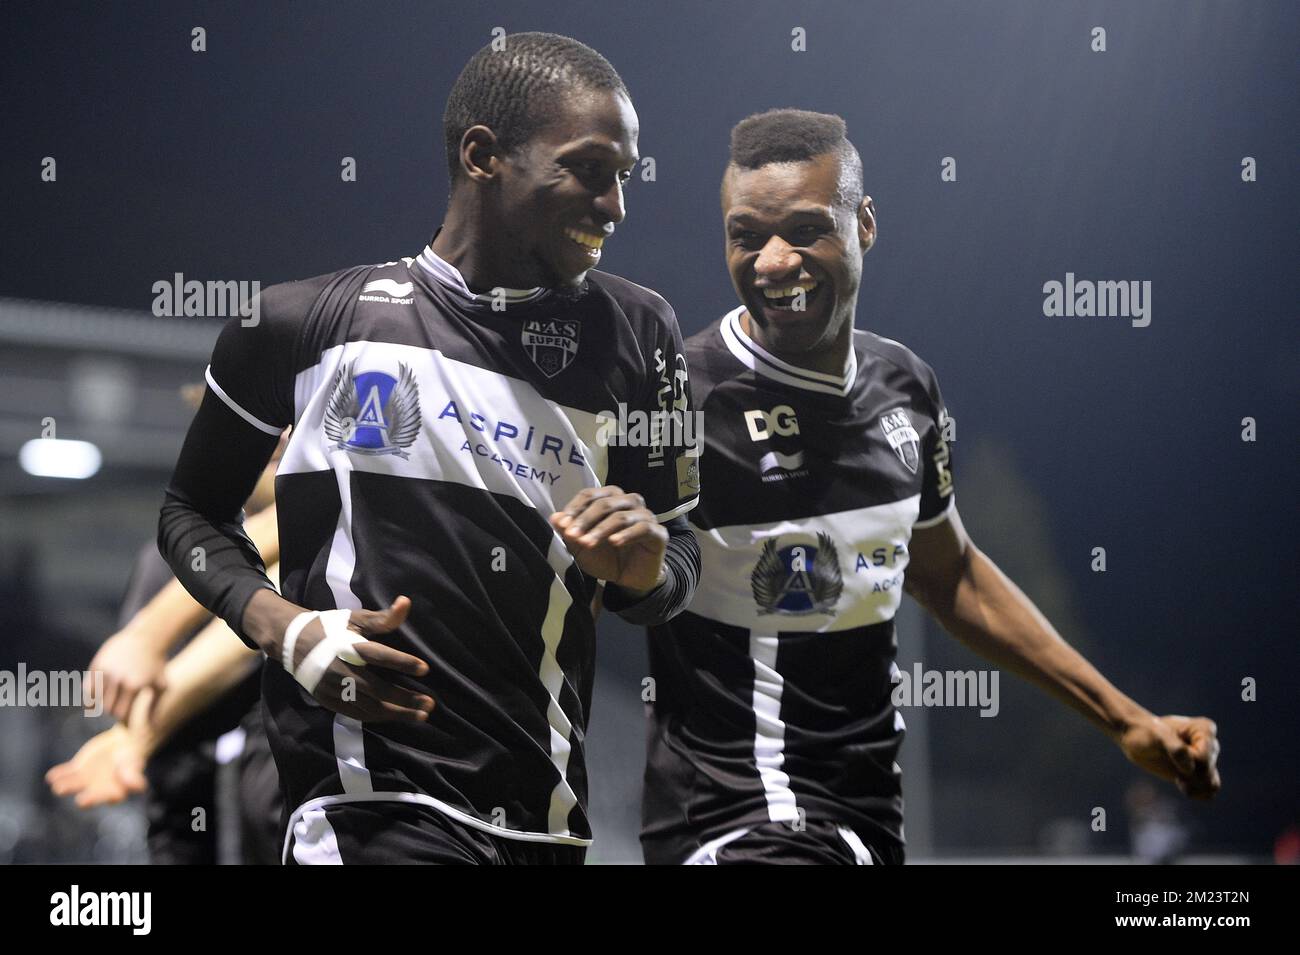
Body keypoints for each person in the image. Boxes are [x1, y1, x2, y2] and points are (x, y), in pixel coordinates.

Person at [157, 33, 700, 865]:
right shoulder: (304, 325)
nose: (617, 204)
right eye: (590, 169)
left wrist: (647, 565)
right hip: (371, 802)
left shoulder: (639, 335)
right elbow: (190, 511)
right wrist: (286, 630)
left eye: (625, 174)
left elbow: (677, 564)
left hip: (547, 818)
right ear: (483, 155)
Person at [640, 109, 1220, 865]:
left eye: (806, 229)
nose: (774, 261)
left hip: (864, 821)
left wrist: (1126, 721)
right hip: (736, 821)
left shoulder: (905, 388)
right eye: (746, 235)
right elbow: (571, 573)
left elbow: (952, 575)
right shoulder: (682, 399)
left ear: (865, 224)